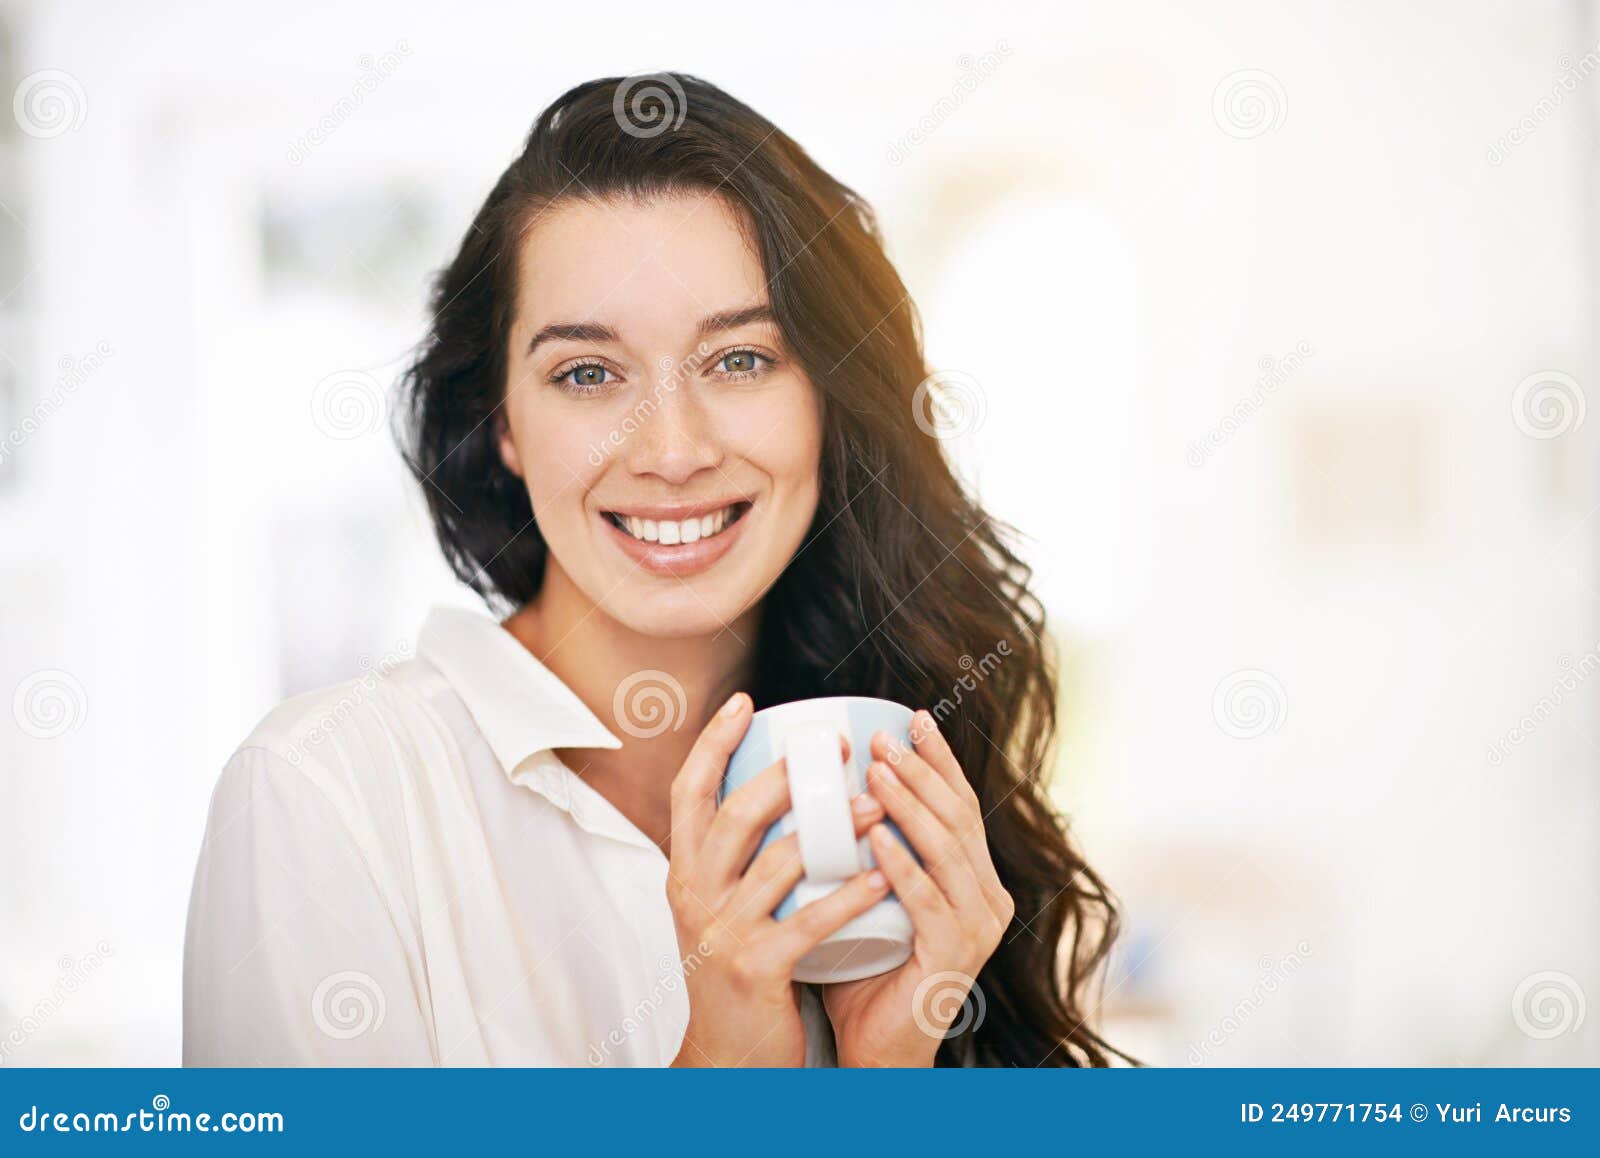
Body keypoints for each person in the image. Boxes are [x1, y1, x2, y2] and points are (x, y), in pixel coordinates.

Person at [183, 72, 1123, 1067]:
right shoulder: (327, 795)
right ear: (503, 422)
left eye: (740, 360)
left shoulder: (889, 780)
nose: (671, 451)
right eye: (587, 374)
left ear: (828, 402)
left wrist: (879, 1075)